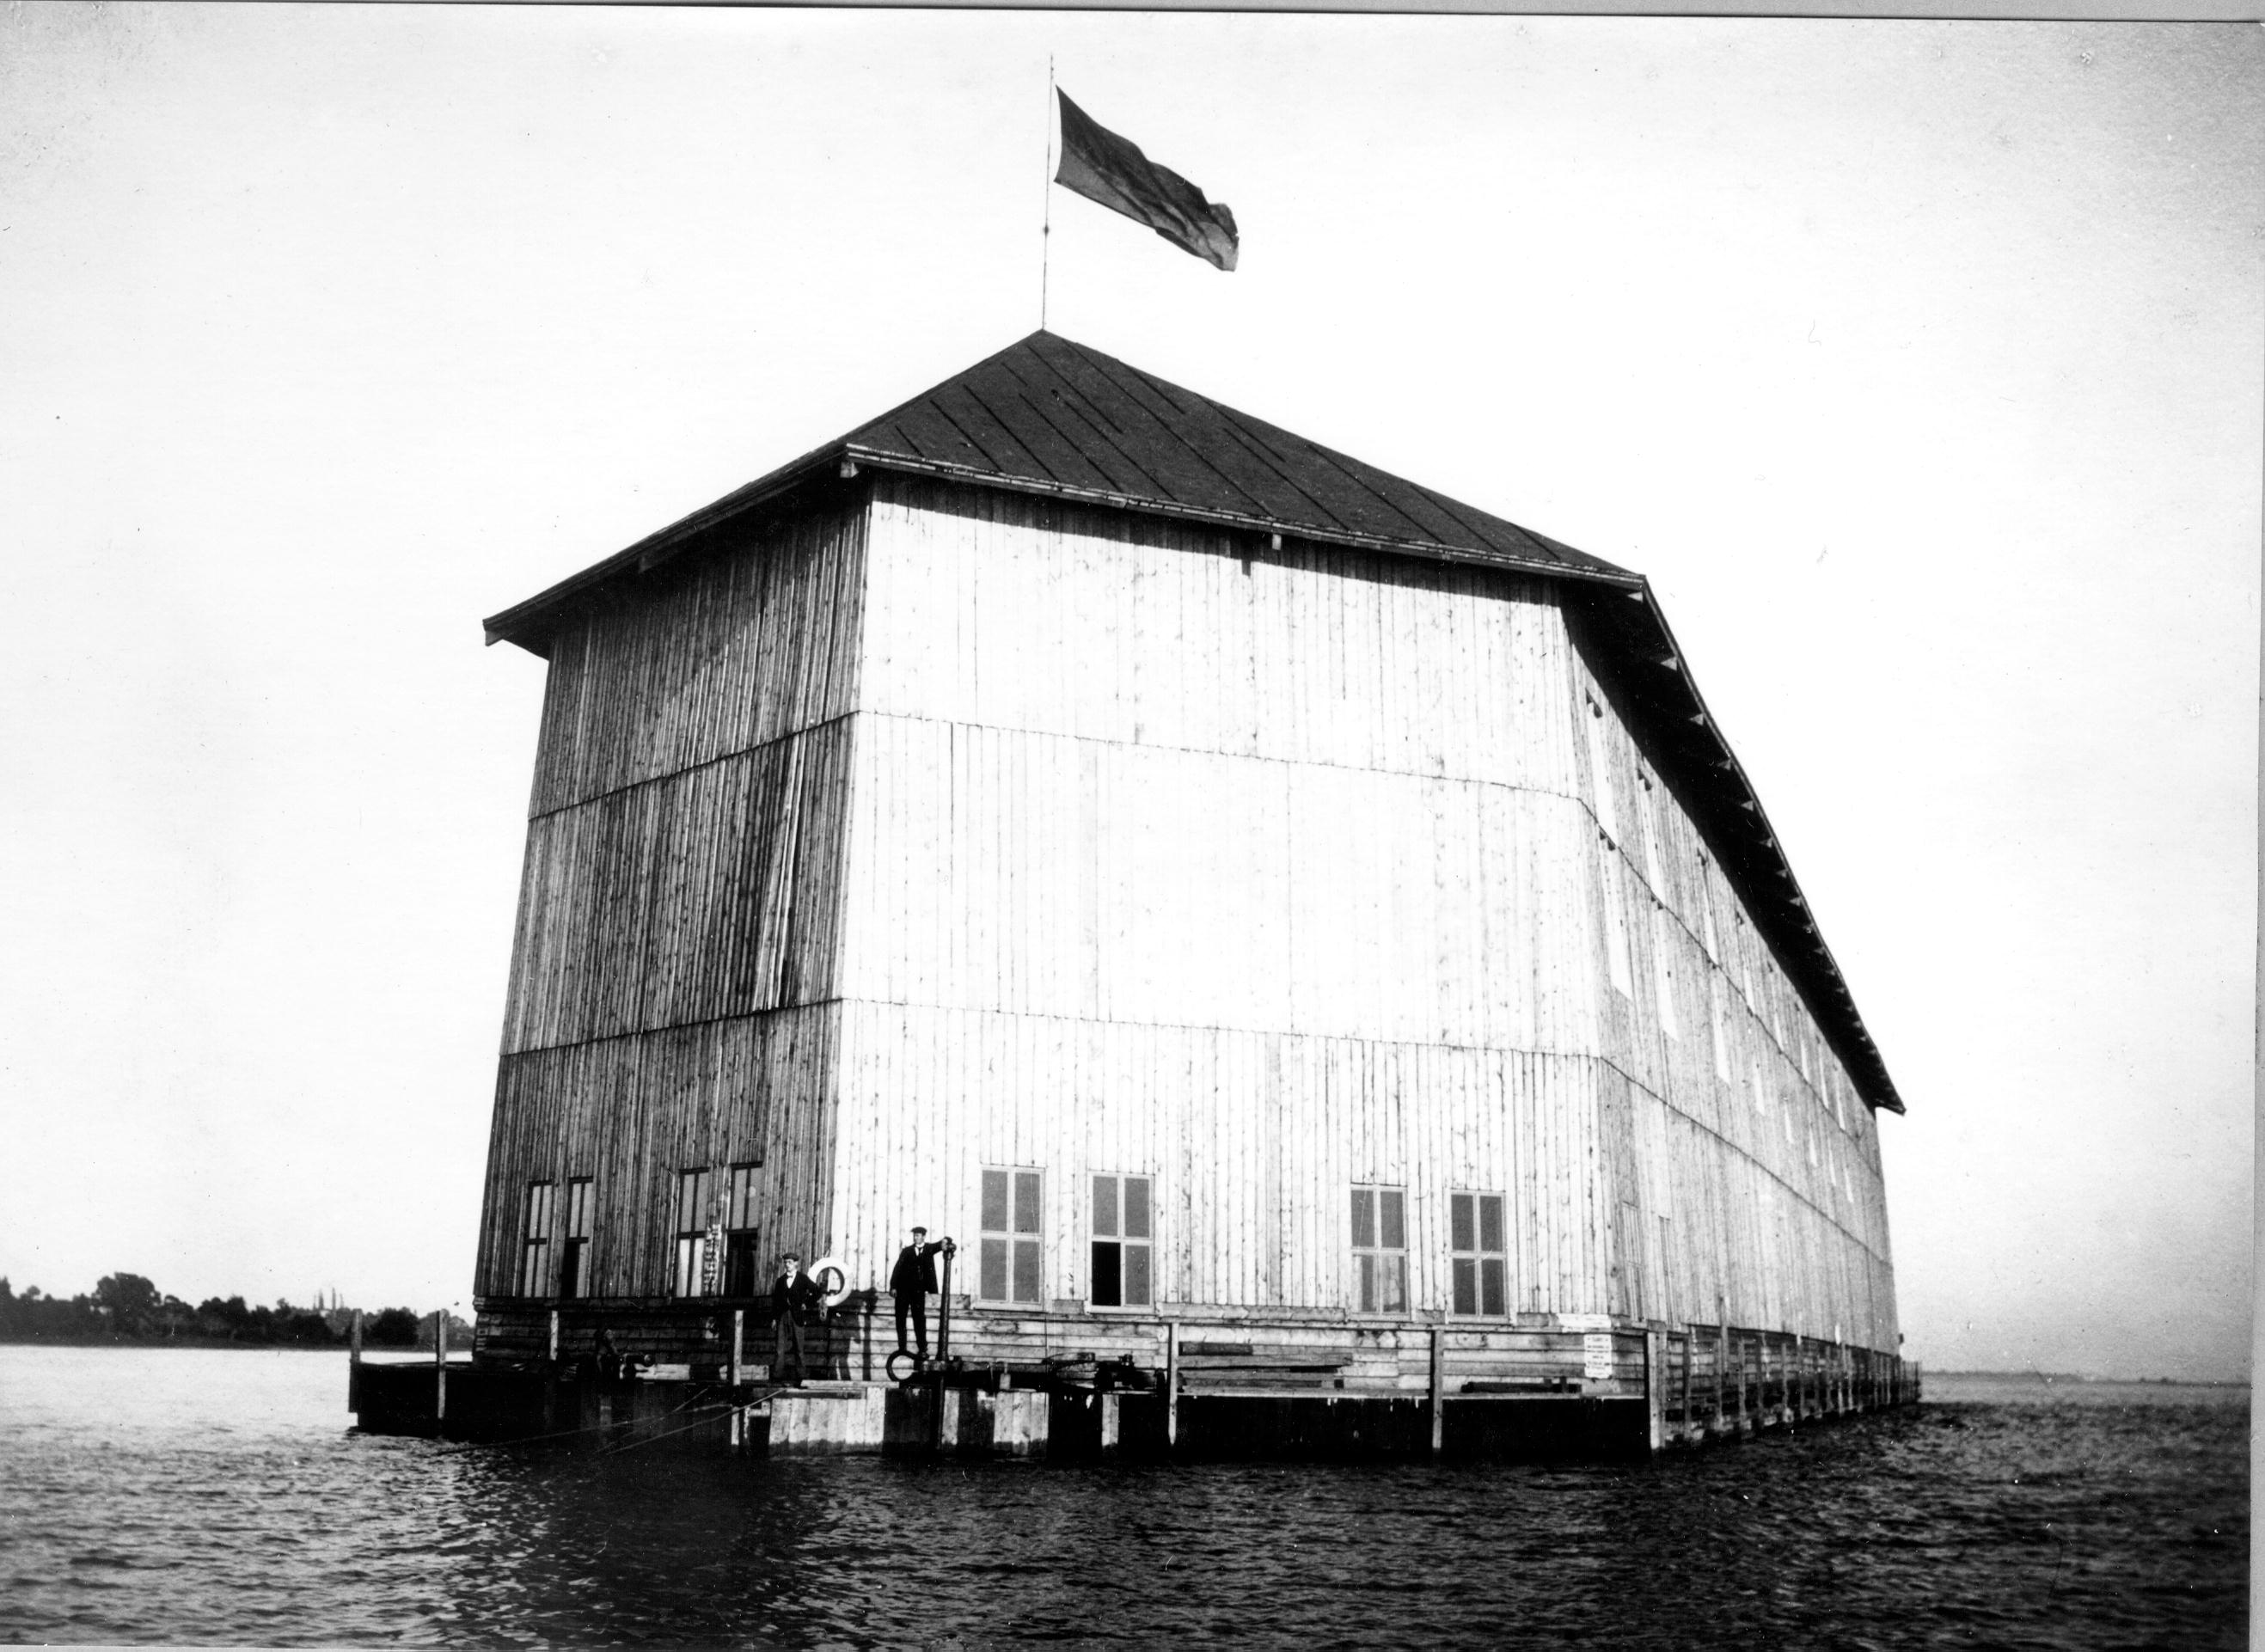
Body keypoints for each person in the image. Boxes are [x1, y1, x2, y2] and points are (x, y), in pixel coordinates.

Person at [889, 1227, 946, 1360]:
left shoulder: (928, 1249)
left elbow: (940, 1244)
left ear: (923, 1237)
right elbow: (897, 1268)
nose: (916, 1238)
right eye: (915, 1236)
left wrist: (945, 1241)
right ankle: (902, 1347)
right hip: (903, 1290)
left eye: (918, 1236)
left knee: (919, 1318)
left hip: (918, 1291)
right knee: (900, 1317)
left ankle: (922, 1348)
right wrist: (893, 1286)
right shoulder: (906, 1251)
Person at [771, 1253, 823, 1382]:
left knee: (799, 1348)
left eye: (789, 1262)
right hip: (782, 1316)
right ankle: (777, 1376)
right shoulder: (780, 1281)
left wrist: (807, 1304)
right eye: (785, 1262)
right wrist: (774, 1319)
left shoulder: (803, 1279)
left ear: (796, 1264)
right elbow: (775, 1301)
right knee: (779, 1348)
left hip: (797, 1317)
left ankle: (802, 1376)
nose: (787, 1265)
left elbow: (817, 1291)